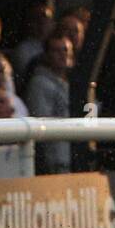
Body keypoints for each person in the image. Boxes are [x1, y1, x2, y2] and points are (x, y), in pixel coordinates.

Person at [26, 33, 74, 173]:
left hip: (73, 155)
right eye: (56, 50)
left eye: (65, 50)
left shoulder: (75, 83)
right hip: (56, 161)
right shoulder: (39, 84)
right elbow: (42, 123)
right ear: (46, 55)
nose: (62, 54)